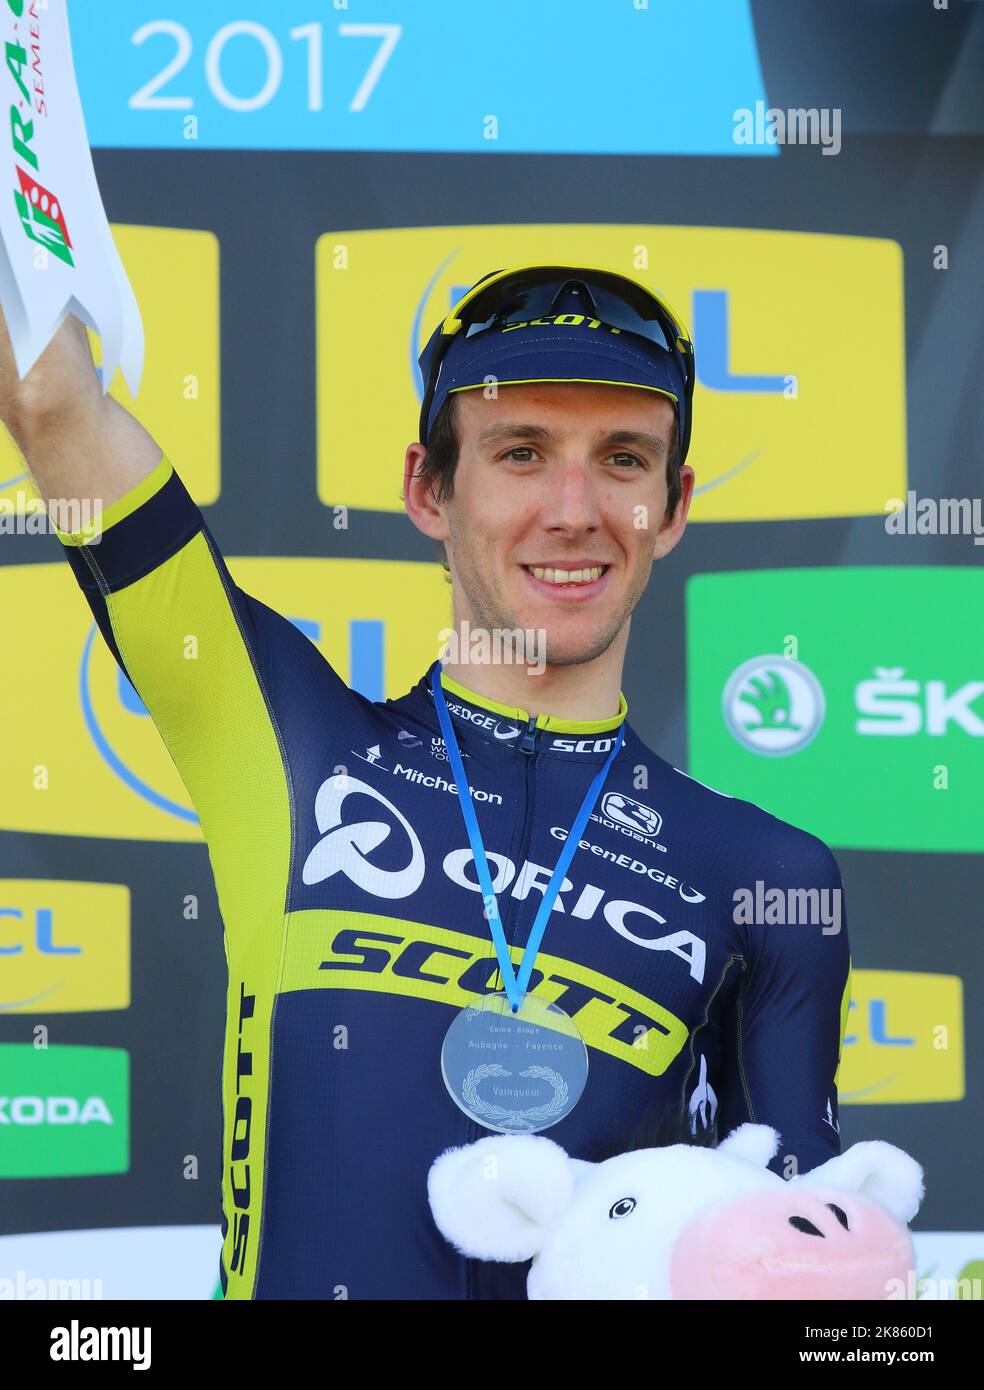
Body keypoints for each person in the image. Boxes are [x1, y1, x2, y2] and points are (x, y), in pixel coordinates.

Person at [0, 265, 851, 1301]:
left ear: (672, 506)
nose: (574, 511)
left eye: (622, 459)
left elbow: (813, 1268)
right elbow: (51, 401)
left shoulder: (762, 871)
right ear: (428, 488)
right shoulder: (286, 742)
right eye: (521, 453)